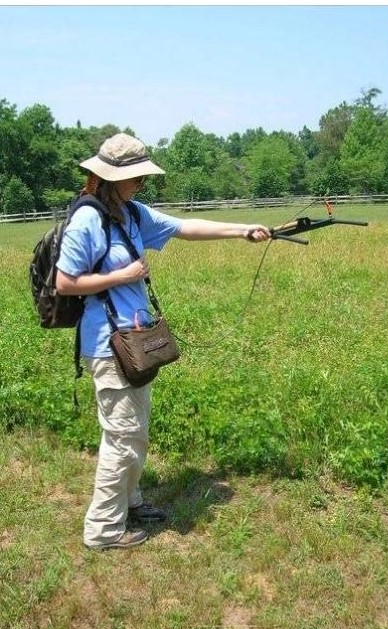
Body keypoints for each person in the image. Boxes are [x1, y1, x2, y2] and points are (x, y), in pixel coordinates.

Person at [55, 133, 271, 550]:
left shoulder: (131, 213)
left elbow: (184, 226)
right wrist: (123, 276)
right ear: (109, 178)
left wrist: (243, 229)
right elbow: (65, 283)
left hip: (135, 342)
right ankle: (103, 530)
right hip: (108, 344)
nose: (140, 184)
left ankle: (129, 502)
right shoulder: (89, 219)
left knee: (133, 430)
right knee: (123, 435)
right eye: (134, 177)